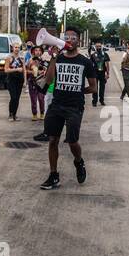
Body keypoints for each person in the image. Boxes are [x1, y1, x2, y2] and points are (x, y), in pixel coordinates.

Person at [39, 26, 96, 190]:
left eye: (73, 37)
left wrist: (79, 91)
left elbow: (93, 88)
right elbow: (48, 80)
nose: (70, 40)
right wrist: (54, 58)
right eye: (67, 37)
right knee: (52, 140)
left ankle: (78, 162)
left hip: (74, 107)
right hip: (56, 105)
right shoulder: (58, 58)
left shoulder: (85, 62)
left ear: (79, 41)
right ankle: (53, 174)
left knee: (72, 142)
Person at [6, 40, 27, 120]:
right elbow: (6, 70)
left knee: (17, 98)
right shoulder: (9, 58)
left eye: (18, 47)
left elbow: (24, 70)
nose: (17, 49)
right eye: (15, 47)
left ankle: (15, 114)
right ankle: (10, 114)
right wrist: (16, 69)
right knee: (13, 97)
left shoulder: (22, 58)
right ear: (12, 48)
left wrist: (25, 81)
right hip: (11, 80)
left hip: (20, 80)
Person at [27, 45, 48, 121]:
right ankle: (34, 114)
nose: (38, 52)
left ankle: (42, 113)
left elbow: (48, 69)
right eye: (36, 50)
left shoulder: (43, 61)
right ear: (33, 52)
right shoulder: (30, 61)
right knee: (33, 99)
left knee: (41, 98)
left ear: (41, 52)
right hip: (32, 82)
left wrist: (44, 71)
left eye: (39, 50)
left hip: (42, 82)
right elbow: (26, 71)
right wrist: (32, 71)